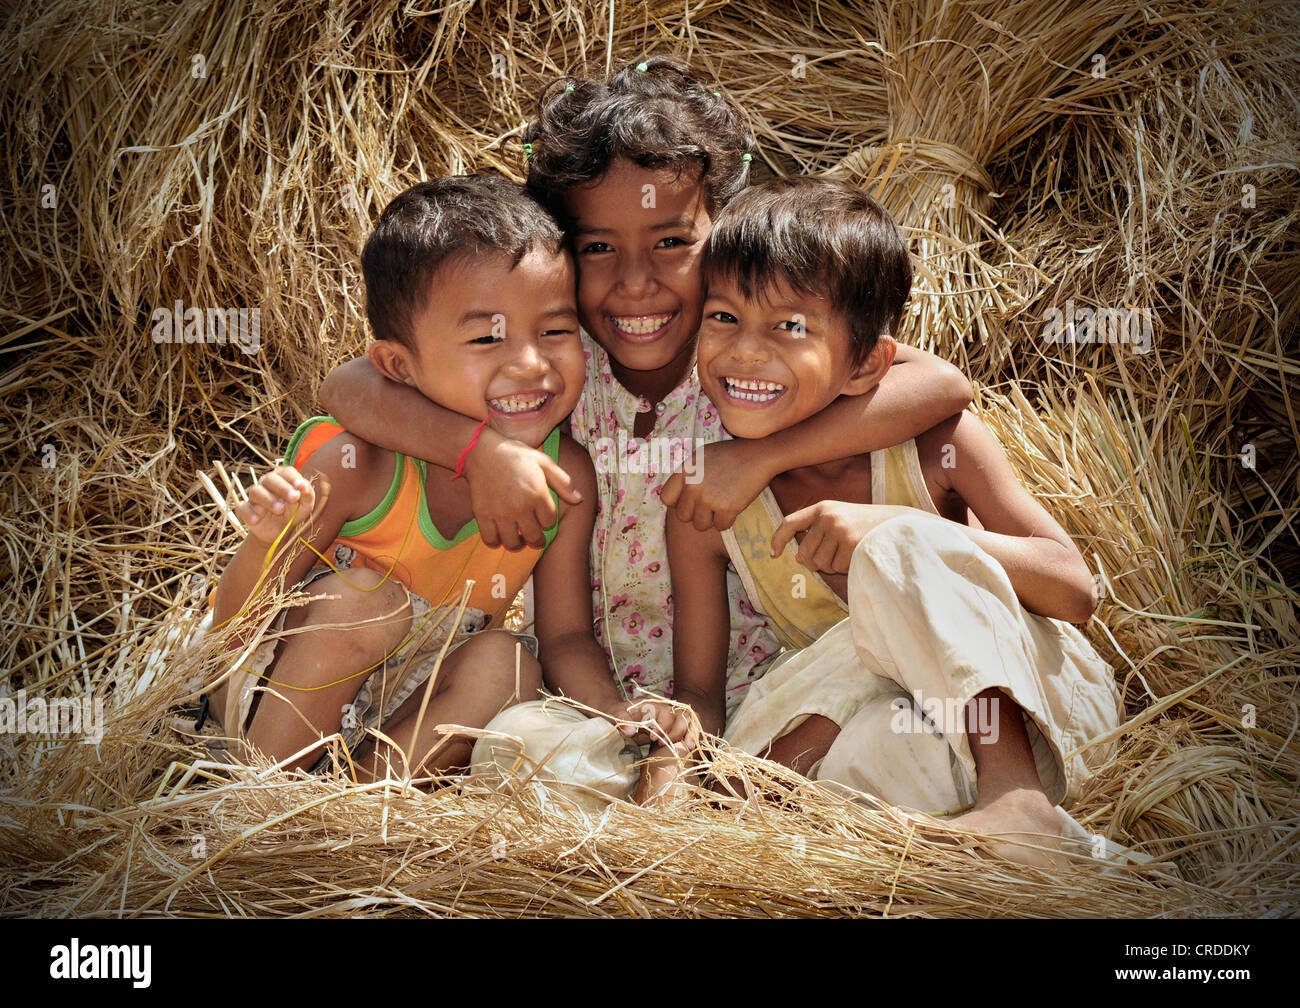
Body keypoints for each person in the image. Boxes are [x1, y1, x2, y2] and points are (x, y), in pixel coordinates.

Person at [316, 58, 975, 758]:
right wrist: (478, 449)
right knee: (515, 753)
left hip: (752, 701)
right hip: (578, 698)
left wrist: (758, 455)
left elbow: (941, 383)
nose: (637, 284)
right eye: (598, 248)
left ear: (725, 231)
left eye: (671, 242)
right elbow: (348, 386)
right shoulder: (557, 365)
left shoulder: (754, 366)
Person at [663, 177, 1121, 867]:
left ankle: (1017, 797)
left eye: (789, 326)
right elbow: (700, 691)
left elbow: (1073, 592)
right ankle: (1046, 860)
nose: (746, 352)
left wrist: (901, 534)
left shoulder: (937, 447)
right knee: (872, 740)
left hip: (1033, 712)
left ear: (866, 364)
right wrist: (674, 746)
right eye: (723, 317)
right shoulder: (710, 506)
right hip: (895, 740)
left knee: (900, 545)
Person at [203, 174, 617, 782]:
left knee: (510, 665)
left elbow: (566, 638)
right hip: (268, 693)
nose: (531, 364)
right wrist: (267, 540)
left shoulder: (564, 476)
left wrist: (614, 710)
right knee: (366, 600)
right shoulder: (358, 466)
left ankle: (341, 812)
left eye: (555, 330)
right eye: (485, 338)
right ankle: (257, 796)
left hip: (400, 704)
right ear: (399, 366)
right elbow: (232, 629)